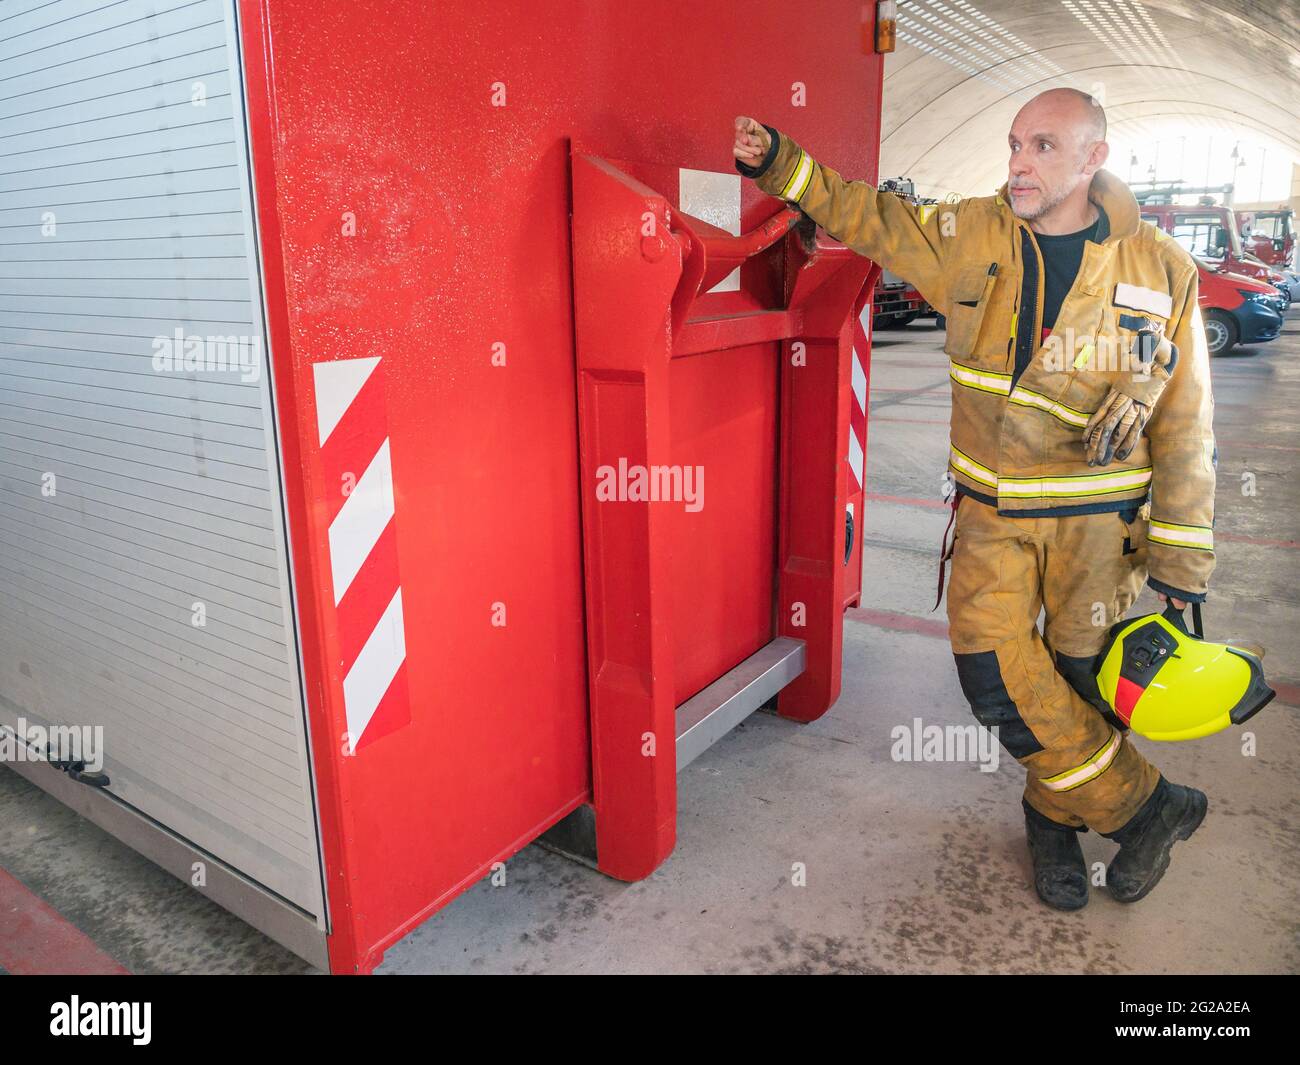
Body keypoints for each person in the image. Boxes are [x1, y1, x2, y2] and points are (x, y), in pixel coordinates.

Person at [732, 89, 1215, 910]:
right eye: (1015, 144)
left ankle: (1051, 819)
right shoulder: (970, 234)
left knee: (1081, 683)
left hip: (1101, 530)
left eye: (1044, 147)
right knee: (993, 675)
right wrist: (783, 164)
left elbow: (1186, 418)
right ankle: (1146, 804)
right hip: (992, 514)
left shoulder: (1161, 267)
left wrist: (1181, 560)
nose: (1019, 163)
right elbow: (868, 215)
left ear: (1094, 158)